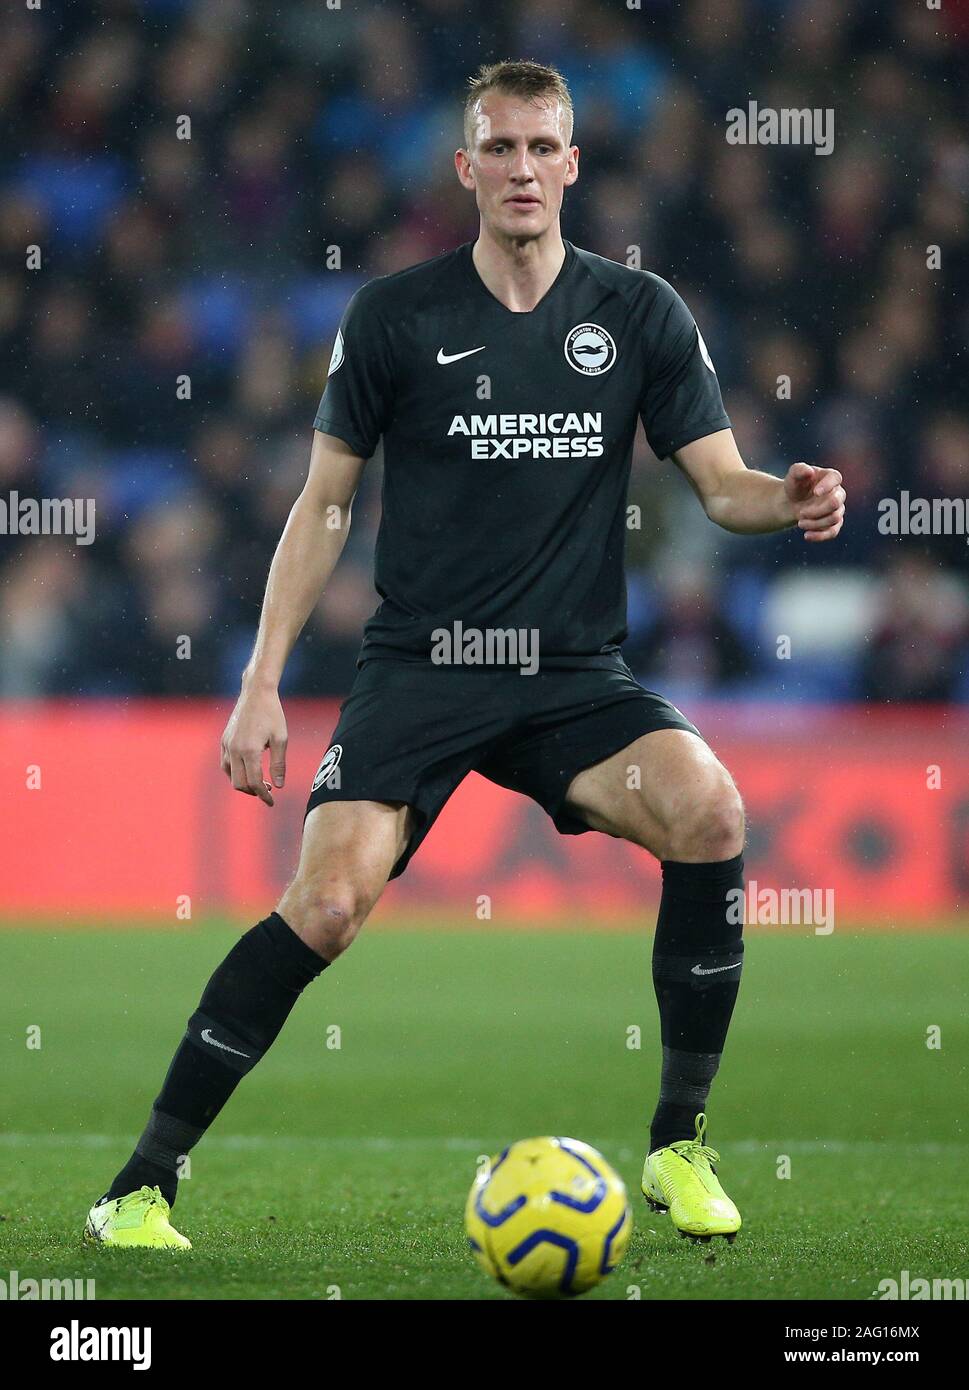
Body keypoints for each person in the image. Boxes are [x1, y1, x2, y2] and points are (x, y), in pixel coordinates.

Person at [85, 60, 845, 1251]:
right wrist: (260, 683)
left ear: (576, 163)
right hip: (421, 670)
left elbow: (721, 484)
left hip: (571, 674)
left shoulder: (638, 314)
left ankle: (680, 1146)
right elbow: (324, 504)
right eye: (501, 148)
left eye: (545, 146)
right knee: (328, 905)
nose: (524, 169)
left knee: (710, 811)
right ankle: (139, 1186)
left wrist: (785, 496)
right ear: (466, 168)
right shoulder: (395, 316)